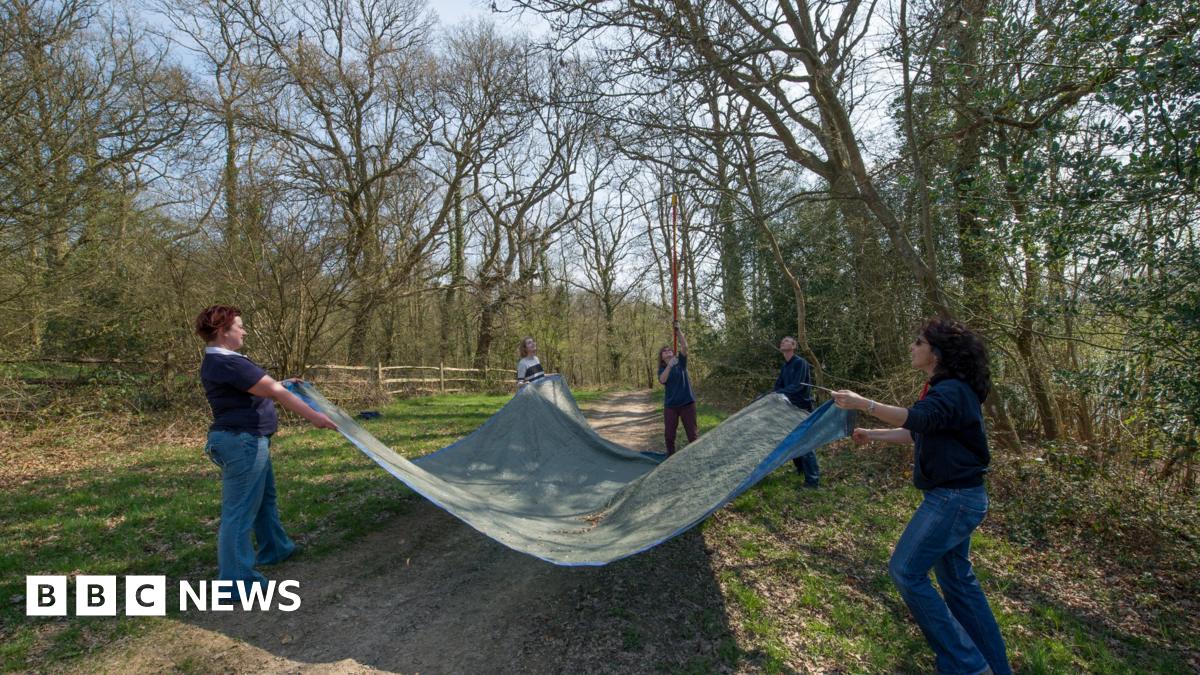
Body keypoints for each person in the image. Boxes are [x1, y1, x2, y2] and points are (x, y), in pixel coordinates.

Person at [831, 318, 1010, 675]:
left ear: (937, 352)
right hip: (960, 498)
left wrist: (863, 403)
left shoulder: (953, 391)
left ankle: (967, 664)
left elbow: (919, 419)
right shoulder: (945, 389)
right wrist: (873, 434)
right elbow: (918, 430)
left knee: (905, 571)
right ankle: (993, 667)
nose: (911, 348)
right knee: (958, 583)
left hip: (953, 500)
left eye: (918, 343)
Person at [195, 305, 337, 592]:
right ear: (223, 332)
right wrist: (315, 417)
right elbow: (274, 392)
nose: (244, 331)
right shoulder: (227, 362)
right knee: (240, 511)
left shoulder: (223, 361)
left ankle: (275, 548)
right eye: (240, 327)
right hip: (242, 442)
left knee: (263, 500)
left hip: (248, 440)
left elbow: (261, 388)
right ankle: (236, 584)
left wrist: (284, 383)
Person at [773, 336, 819, 488]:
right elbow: (778, 386)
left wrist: (779, 394)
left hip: (802, 408)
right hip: (789, 408)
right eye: (782, 341)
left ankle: (812, 481)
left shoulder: (801, 363)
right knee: (792, 441)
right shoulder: (785, 366)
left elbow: (798, 386)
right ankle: (800, 469)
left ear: (793, 346)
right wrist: (770, 395)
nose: (782, 342)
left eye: (786, 341)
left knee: (805, 444)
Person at [657, 321, 697, 456]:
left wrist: (678, 330)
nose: (668, 352)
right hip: (671, 406)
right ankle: (670, 458)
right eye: (664, 351)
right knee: (669, 435)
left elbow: (685, 346)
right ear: (662, 357)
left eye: (669, 350)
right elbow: (663, 380)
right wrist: (669, 365)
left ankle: (695, 457)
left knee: (692, 435)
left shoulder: (681, 363)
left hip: (687, 403)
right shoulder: (662, 369)